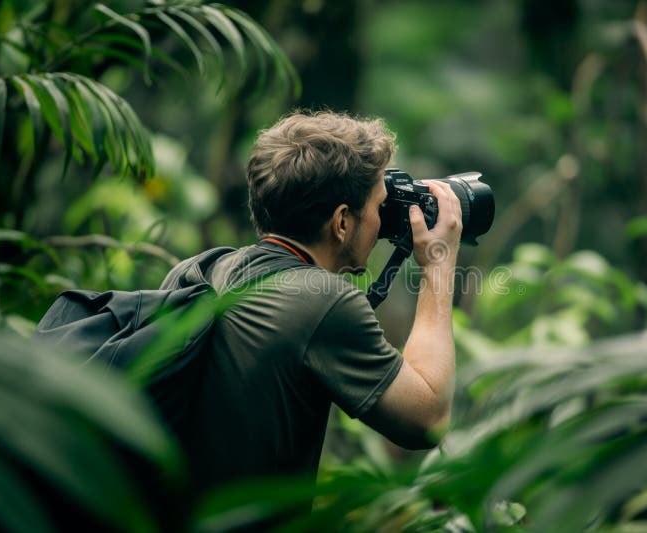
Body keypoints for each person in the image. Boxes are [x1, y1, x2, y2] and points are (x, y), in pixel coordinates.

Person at [159, 110, 463, 505]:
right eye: (378, 206)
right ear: (341, 222)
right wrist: (438, 267)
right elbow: (428, 420)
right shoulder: (322, 301)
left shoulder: (198, 269)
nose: (381, 221)